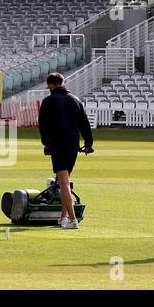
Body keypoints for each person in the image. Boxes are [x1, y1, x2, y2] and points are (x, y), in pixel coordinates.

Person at [36, 71, 94, 229]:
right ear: (63, 82)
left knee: (63, 184)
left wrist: (46, 143)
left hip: (58, 144)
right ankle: (63, 218)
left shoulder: (48, 101)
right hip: (73, 145)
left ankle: (73, 220)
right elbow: (85, 124)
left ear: (50, 85)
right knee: (65, 181)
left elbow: (43, 125)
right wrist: (88, 143)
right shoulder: (75, 100)